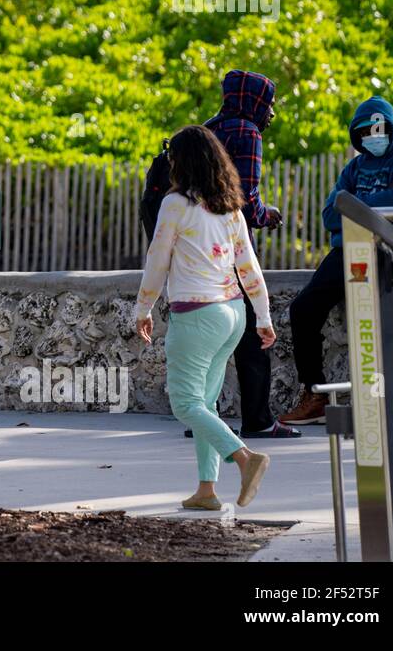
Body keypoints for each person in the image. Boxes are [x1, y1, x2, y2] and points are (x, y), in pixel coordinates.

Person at [134, 125, 273, 510]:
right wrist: (263, 315)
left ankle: (245, 459)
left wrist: (142, 309)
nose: (170, 165)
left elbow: (157, 261)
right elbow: (249, 267)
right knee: (204, 405)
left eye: (173, 158)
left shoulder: (176, 204)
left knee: (184, 404)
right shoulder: (230, 207)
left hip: (196, 316)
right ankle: (207, 491)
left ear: (184, 162)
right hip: (233, 313)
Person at [280, 96, 393, 425]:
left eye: (380, 129)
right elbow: (329, 215)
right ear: (356, 135)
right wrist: (363, 209)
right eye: (366, 131)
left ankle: (384, 402)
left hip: (389, 252)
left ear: (392, 128)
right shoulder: (355, 166)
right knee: (302, 309)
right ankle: (315, 394)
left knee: (381, 324)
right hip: (347, 250)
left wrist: (354, 204)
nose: (373, 136)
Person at [204, 69, 301, 440]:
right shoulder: (247, 132)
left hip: (201, 250)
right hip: (232, 248)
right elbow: (242, 203)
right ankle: (259, 419)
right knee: (255, 334)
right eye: (269, 104)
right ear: (253, 101)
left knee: (211, 333)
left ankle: (203, 414)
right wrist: (267, 215)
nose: (271, 113)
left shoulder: (210, 128)